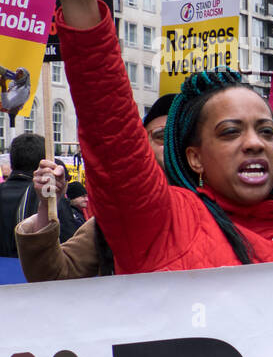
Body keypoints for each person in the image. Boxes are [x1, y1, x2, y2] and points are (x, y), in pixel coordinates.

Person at [40, 0, 273, 272]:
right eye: (230, 131)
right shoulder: (163, 224)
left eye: (266, 131)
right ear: (195, 158)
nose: (255, 143)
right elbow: (112, 134)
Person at [14, 94, 177, 282]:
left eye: (182, 135)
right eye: (162, 135)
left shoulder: (215, 210)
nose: (173, 144)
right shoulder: (113, 222)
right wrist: (46, 206)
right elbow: (53, 275)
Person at [0, 133, 78, 257]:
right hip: (31, 273)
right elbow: (70, 248)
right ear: (44, 164)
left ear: (11, 163)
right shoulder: (50, 199)